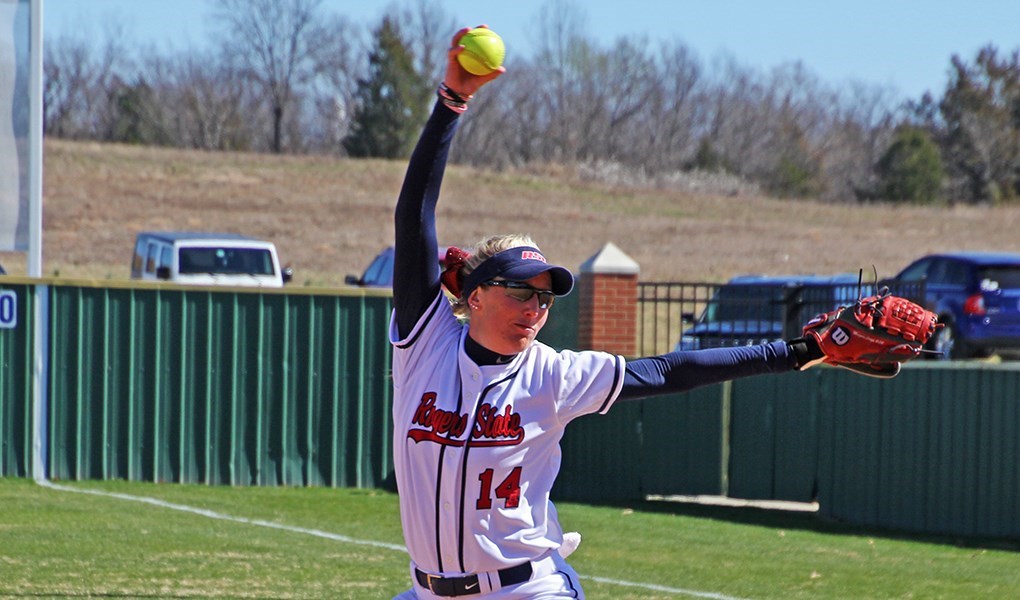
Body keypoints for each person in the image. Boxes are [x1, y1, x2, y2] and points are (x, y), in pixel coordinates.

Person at [390, 26, 825, 599]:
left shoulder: (554, 375)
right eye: (521, 292)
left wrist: (796, 352)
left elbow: (672, 370)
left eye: (545, 298)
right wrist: (451, 102)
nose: (536, 309)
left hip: (525, 590)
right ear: (475, 295)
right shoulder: (427, 345)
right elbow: (414, 215)